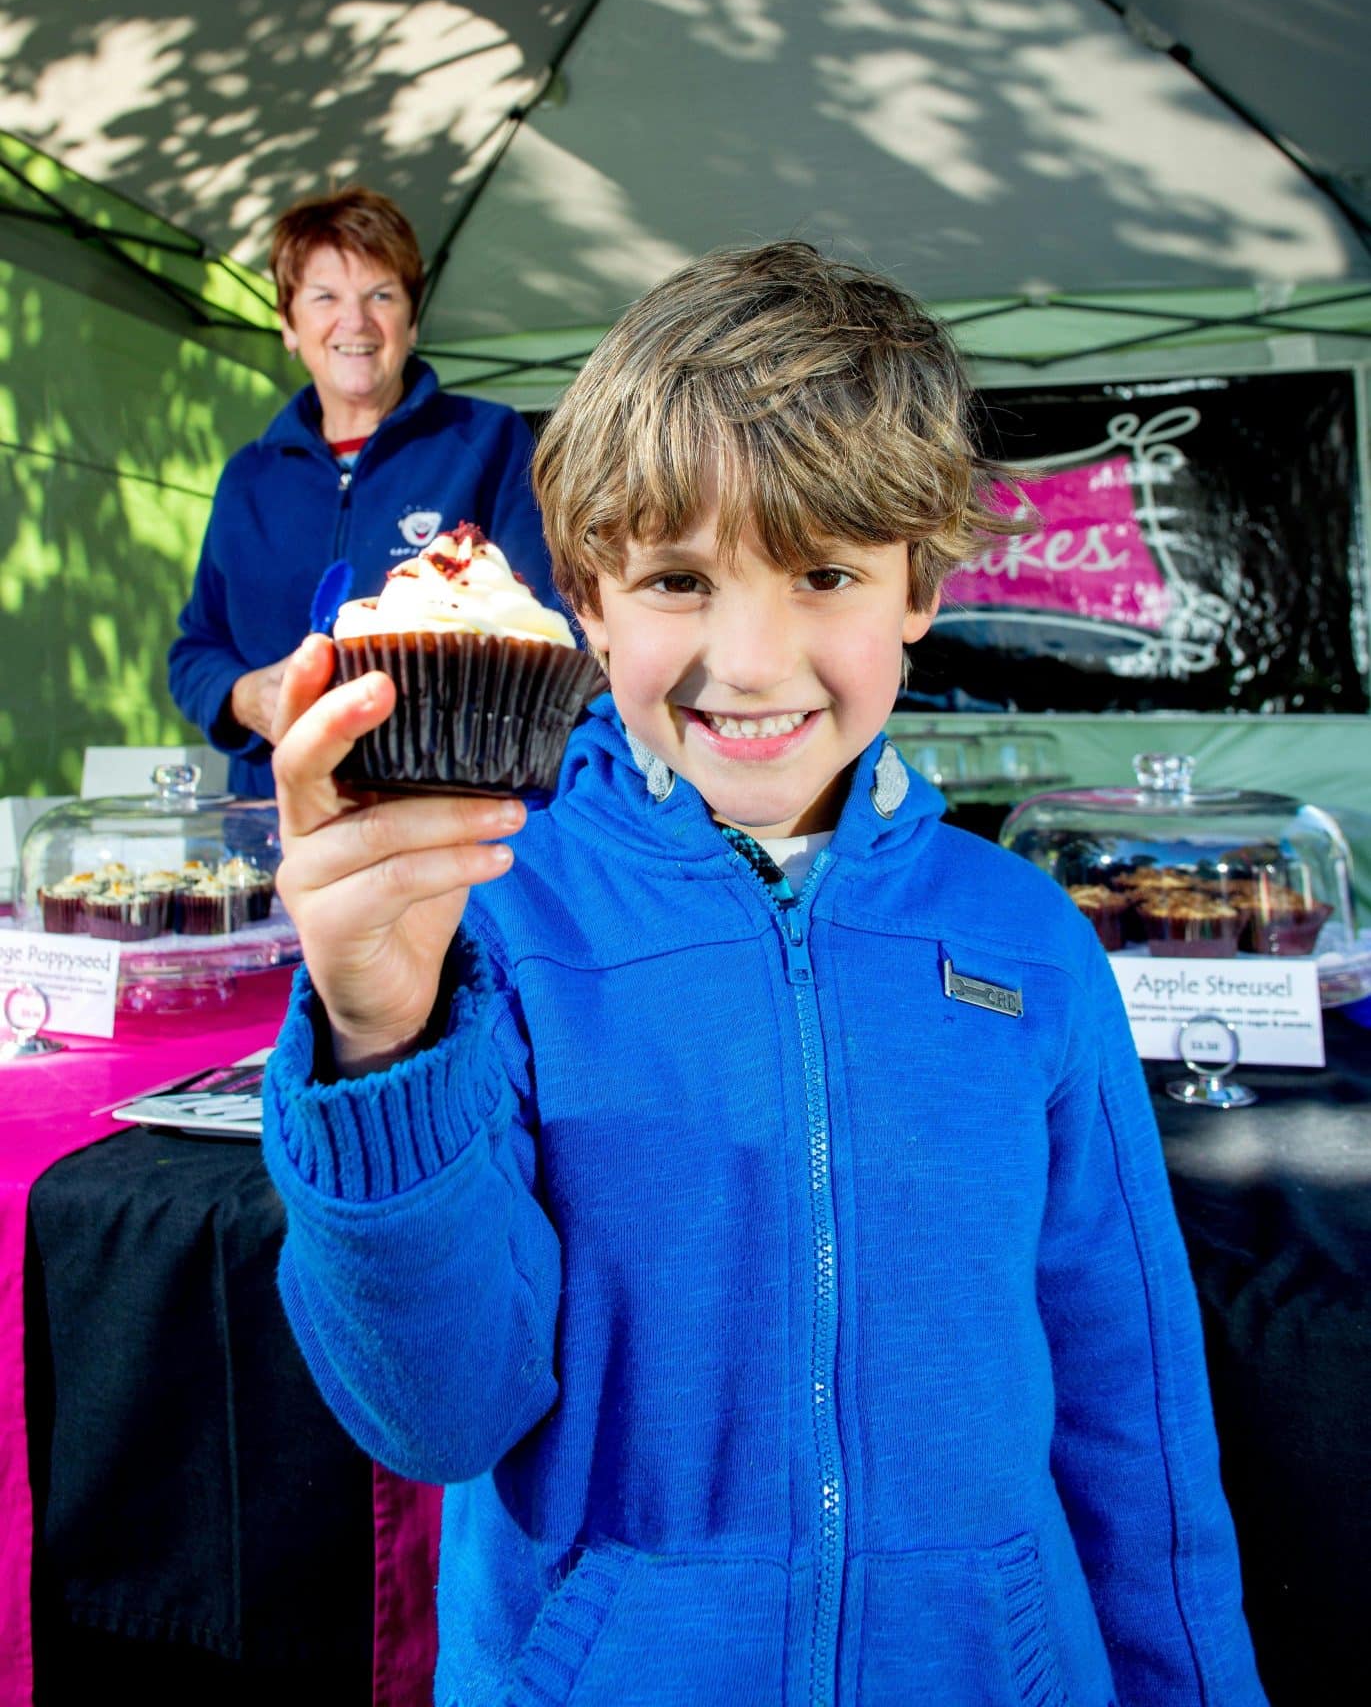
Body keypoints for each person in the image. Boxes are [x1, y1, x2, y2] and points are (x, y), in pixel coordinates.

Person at [261, 243, 1267, 1706]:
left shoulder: (1026, 938)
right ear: (587, 602)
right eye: (678, 579)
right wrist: (378, 1035)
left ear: (919, 586)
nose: (748, 658)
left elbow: (1134, 1407)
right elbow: (437, 1416)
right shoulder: (487, 922)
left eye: (824, 573)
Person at [168, 185, 557, 795]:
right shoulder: (248, 477)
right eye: (325, 297)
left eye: (381, 295)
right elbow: (195, 649)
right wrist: (243, 695)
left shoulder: (487, 441)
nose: (355, 321)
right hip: (273, 814)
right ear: (288, 324)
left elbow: (554, 624)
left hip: (438, 809)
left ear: (412, 320)